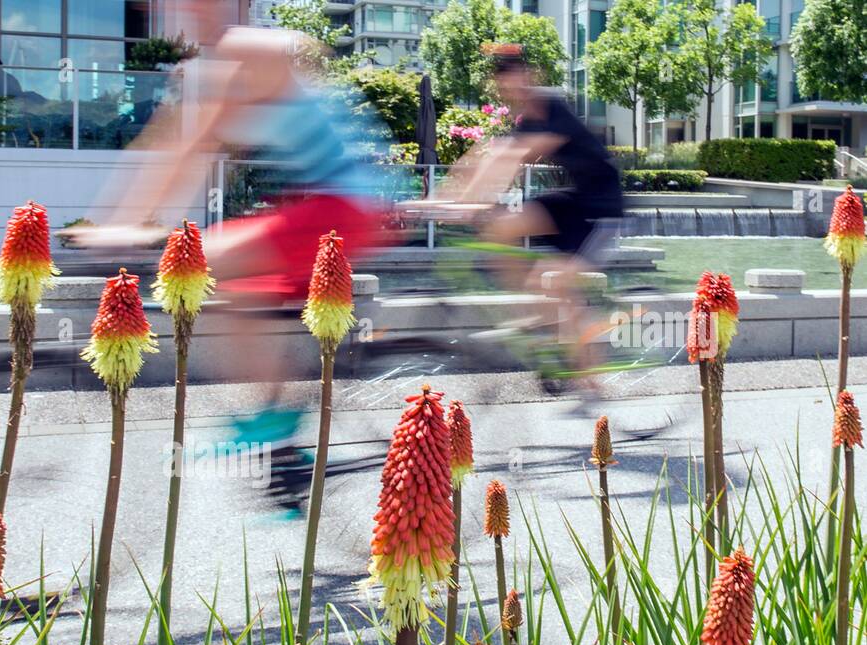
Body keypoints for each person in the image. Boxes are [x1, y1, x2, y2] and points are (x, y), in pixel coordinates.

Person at [65, 0, 389, 511]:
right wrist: (121, 220)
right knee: (237, 282)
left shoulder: (243, 50)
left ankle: (274, 425)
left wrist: (125, 223)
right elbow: (173, 147)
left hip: (344, 204)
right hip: (323, 202)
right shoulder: (228, 59)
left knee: (207, 258)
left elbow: (188, 148)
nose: (186, 14)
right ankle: (280, 435)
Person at [436, 44, 624, 369]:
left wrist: (468, 201)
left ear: (530, 75)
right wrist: (442, 197)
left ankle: (590, 377)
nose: (510, 87)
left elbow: (510, 158)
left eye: (515, 77)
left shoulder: (552, 110)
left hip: (603, 211)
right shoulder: (527, 122)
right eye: (503, 82)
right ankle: (534, 316)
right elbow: (491, 155)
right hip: (576, 201)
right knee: (500, 229)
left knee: (559, 287)